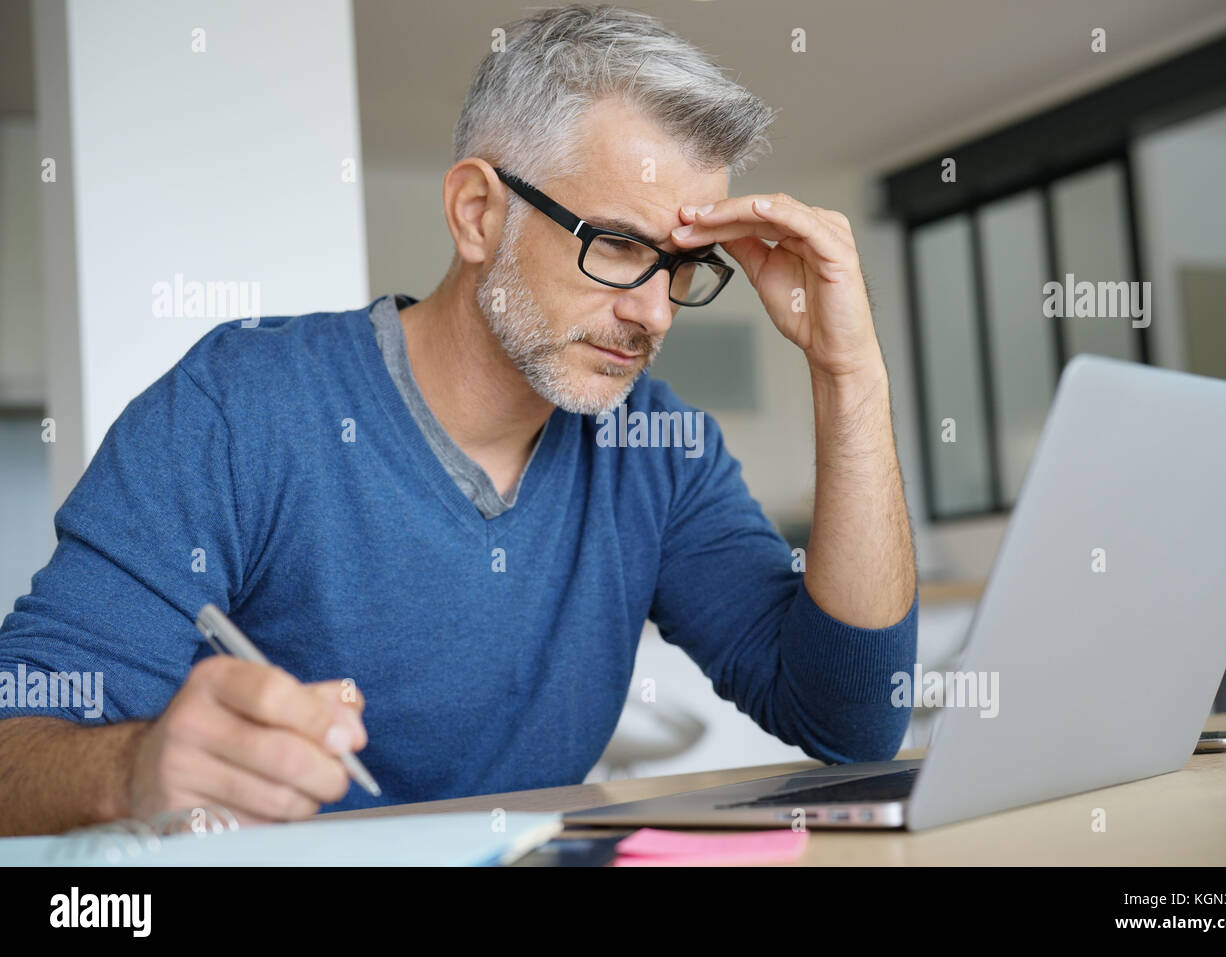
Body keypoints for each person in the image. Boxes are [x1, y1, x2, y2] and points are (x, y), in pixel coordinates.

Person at [0, 3, 917, 836]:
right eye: (621, 247)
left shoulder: (657, 450)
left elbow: (853, 721)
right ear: (477, 213)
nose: (656, 313)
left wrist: (850, 374)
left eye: (681, 267)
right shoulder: (238, 408)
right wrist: (134, 765)